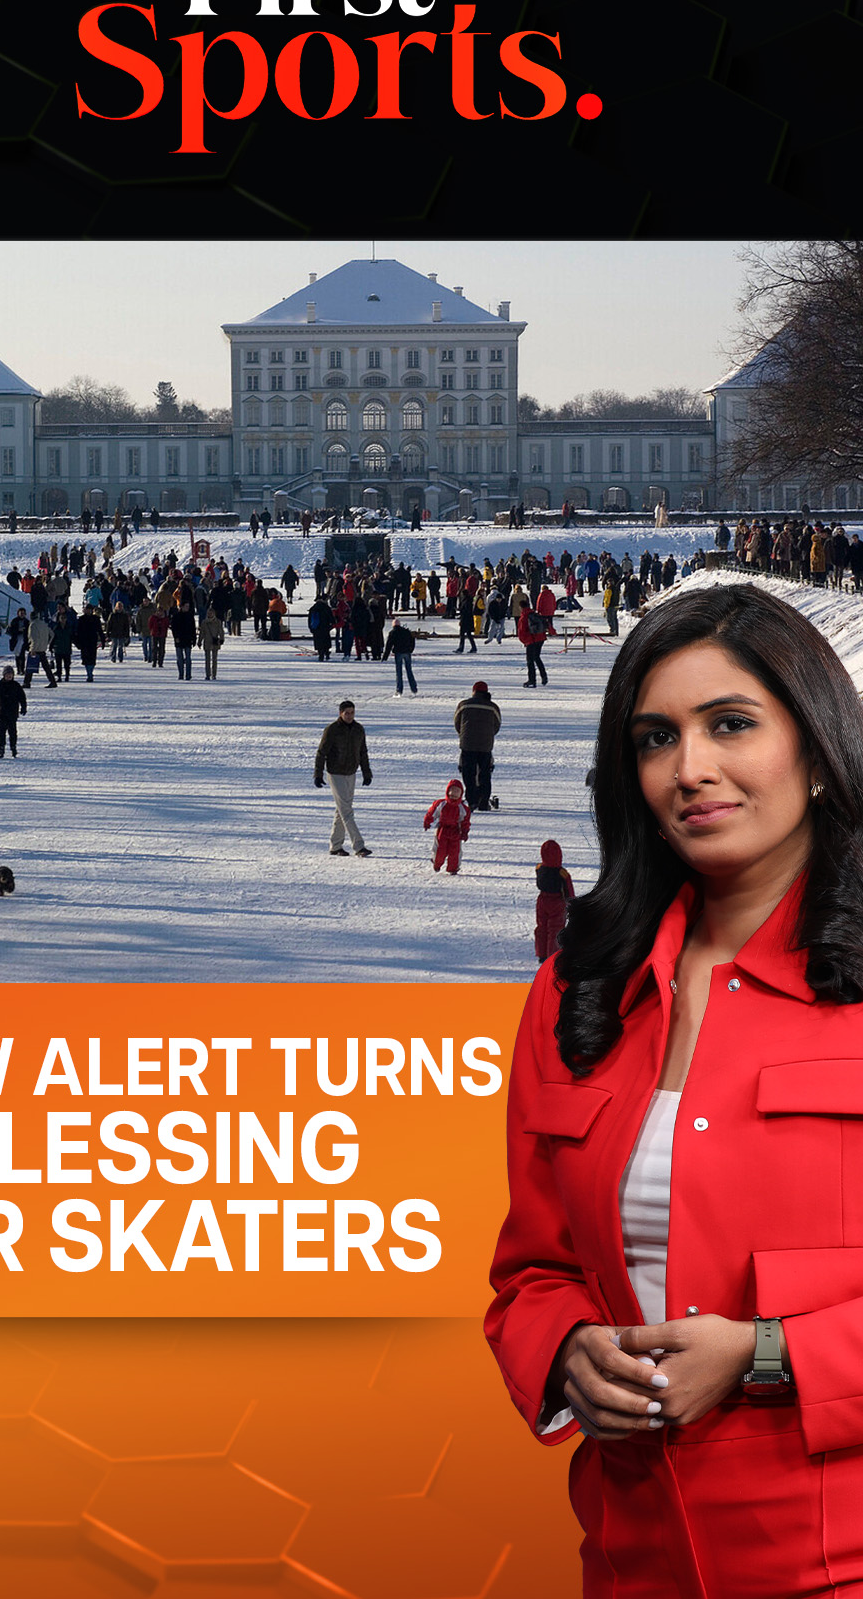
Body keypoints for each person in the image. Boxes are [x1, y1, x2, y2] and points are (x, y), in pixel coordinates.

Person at [486, 582, 863, 1599]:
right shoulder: (577, 992)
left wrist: (770, 1354)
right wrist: (566, 1352)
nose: (690, 769)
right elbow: (530, 1270)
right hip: (633, 1559)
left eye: (730, 725)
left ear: (821, 754)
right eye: (655, 739)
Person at [313, 700, 373, 856]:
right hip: (335, 773)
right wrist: (318, 774)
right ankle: (359, 846)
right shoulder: (332, 730)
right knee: (347, 811)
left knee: (342, 810)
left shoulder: (359, 729)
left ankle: (335, 845)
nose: (350, 716)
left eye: (352, 712)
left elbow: (363, 753)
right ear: (340, 713)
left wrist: (367, 773)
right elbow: (321, 752)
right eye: (347, 713)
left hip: (351, 773)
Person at [453, 681, 501, 812]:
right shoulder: (493, 707)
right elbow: (496, 726)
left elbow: (457, 723)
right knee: (485, 773)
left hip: (467, 743)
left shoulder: (463, 705)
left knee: (468, 772)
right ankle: (484, 801)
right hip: (485, 745)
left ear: (473, 691)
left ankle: (472, 799)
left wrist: (463, 734)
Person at [533, 838, 574, 961]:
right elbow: (569, 890)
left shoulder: (539, 868)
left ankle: (541, 953)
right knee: (555, 929)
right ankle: (552, 955)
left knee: (541, 927)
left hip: (542, 901)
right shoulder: (562, 873)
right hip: (557, 903)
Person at [423, 777, 471, 875]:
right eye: (451, 792)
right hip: (442, 829)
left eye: (457, 792)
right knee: (440, 849)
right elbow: (432, 813)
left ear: (461, 794)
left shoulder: (463, 808)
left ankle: (453, 868)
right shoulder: (441, 804)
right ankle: (437, 863)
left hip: (456, 831)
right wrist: (427, 821)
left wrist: (465, 831)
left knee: (455, 851)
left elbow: (465, 821)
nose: (453, 795)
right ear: (447, 792)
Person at [0, 665, 27, 758]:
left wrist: (23, 707)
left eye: (10, 674)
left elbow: (22, 697)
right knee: (1, 731)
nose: (9, 676)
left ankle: (13, 747)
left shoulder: (16, 685)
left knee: (12, 731)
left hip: (12, 712)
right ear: (4, 675)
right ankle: (1, 747)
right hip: (2, 712)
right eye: (7, 674)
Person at [517, 598, 549, 687]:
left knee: (530, 661)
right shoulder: (534, 614)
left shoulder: (524, 616)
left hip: (531, 640)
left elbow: (522, 631)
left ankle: (532, 680)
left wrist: (525, 641)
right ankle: (544, 676)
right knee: (537, 658)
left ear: (521, 607)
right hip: (540, 638)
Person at [382, 616, 418, 695]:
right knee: (409, 670)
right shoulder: (406, 631)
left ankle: (399, 690)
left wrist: (385, 657)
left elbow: (389, 645)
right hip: (407, 652)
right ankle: (414, 688)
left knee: (399, 672)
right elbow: (412, 640)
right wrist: (410, 650)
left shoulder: (392, 632)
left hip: (398, 653)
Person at [199, 603, 224, 680]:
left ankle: (214, 674)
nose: (210, 614)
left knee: (214, 659)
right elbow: (202, 633)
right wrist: (199, 641)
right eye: (208, 613)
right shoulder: (204, 622)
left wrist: (221, 639)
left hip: (215, 642)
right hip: (207, 642)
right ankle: (208, 674)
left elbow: (221, 631)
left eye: (211, 613)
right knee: (207, 660)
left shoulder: (218, 622)